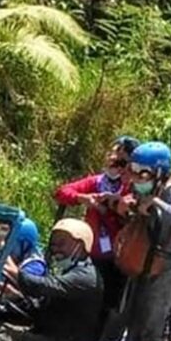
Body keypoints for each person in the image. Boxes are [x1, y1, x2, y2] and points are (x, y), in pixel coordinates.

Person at [0, 218, 102, 341]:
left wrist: (16, 273)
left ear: (80, 245)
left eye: (62, 243)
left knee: (5, 340)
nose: (55, 249)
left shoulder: (86, 277)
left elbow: (47, 286)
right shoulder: (68, 270)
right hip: (52, 336)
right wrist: (17, 296)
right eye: (53, 244)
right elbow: (45, 304)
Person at [113, 140, 171, 341]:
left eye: (143, 172)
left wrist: (156, 203)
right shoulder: (141, 187)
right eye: (134, 169)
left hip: (166, 268)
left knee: (151, 321)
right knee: (130, 317)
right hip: (143, 262)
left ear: (158, 173)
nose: (137, 177)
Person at [53, 136, 137, 318]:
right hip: (91, 253)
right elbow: (62, 192)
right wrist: (82, 198)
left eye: (121, 161)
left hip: (116, 258)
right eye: (113, 158)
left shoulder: (132, 190)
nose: (115, 164)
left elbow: (126, 223)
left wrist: (104, 210)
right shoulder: (97, 182)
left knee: (108, 305)